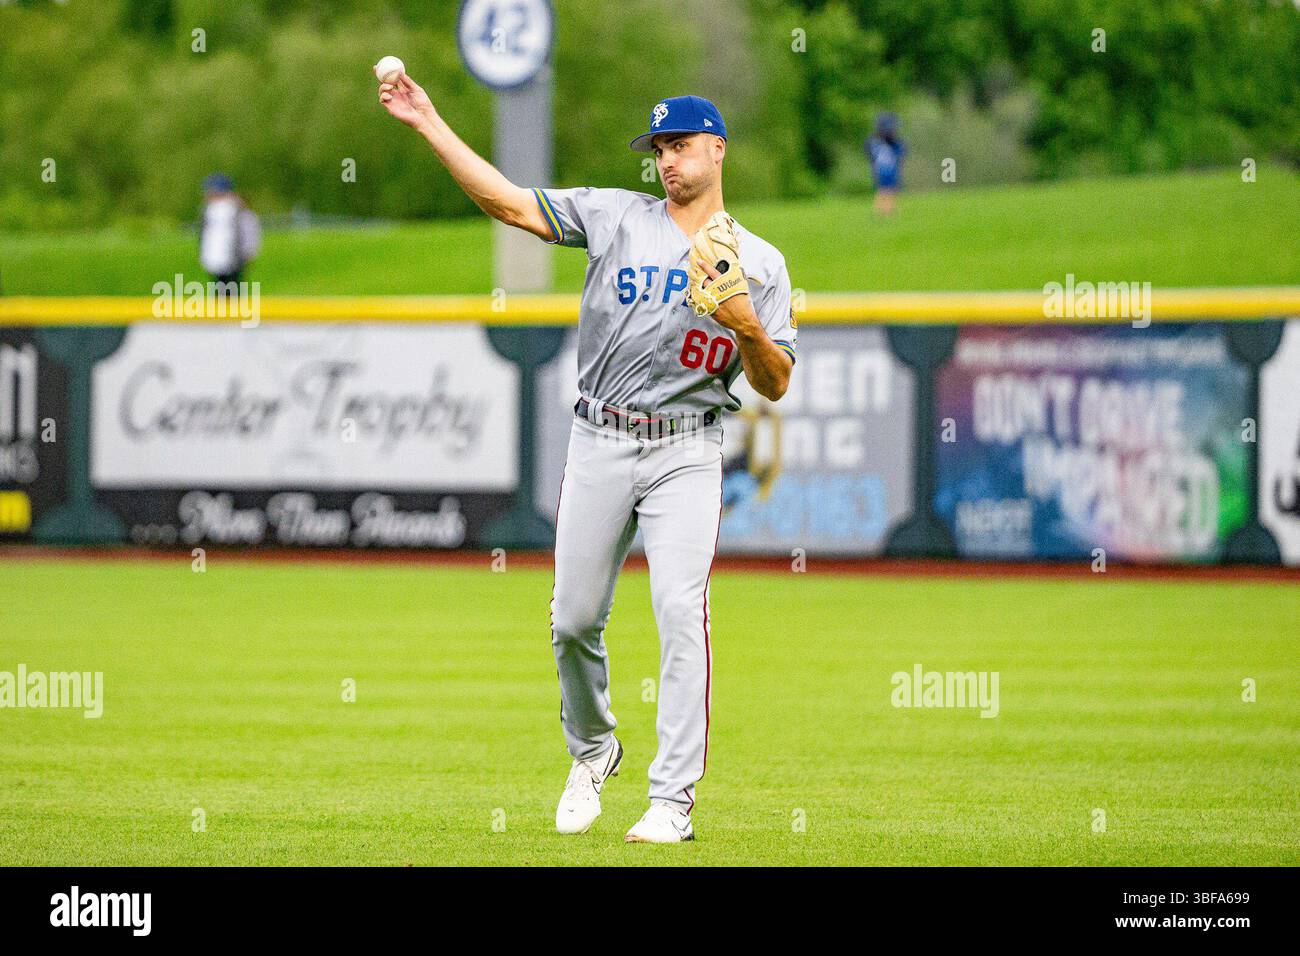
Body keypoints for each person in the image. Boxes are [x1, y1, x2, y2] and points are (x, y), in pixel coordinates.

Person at [380, 79, 796, 844]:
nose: (668, 160)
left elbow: (774, 382)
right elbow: (508, 203)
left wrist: (743, 325)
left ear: (717, 149)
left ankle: (671, 800)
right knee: (572, 620)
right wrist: (429, 121)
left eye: (680, 145)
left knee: (680, 613)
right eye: (659, 148)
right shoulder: (617, 216)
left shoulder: (762, 262)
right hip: (600, 435)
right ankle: (595, 749)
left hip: (687, 447)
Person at [199, 173, 261, 291]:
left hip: (234, 259)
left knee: (232, 290)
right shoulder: (209, 210)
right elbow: (205, 235)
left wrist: (248, 252)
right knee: (219, 289)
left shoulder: (238, 210)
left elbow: (248, 232)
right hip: (215, 259)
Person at [865, 112, 906, 215]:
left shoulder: (875, 142)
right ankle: (886, 212)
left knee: (883, 190)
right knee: (888, 191)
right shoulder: (887, 143)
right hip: (886, 170)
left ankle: (882, 211)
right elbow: (901, 154)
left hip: (880, 170)